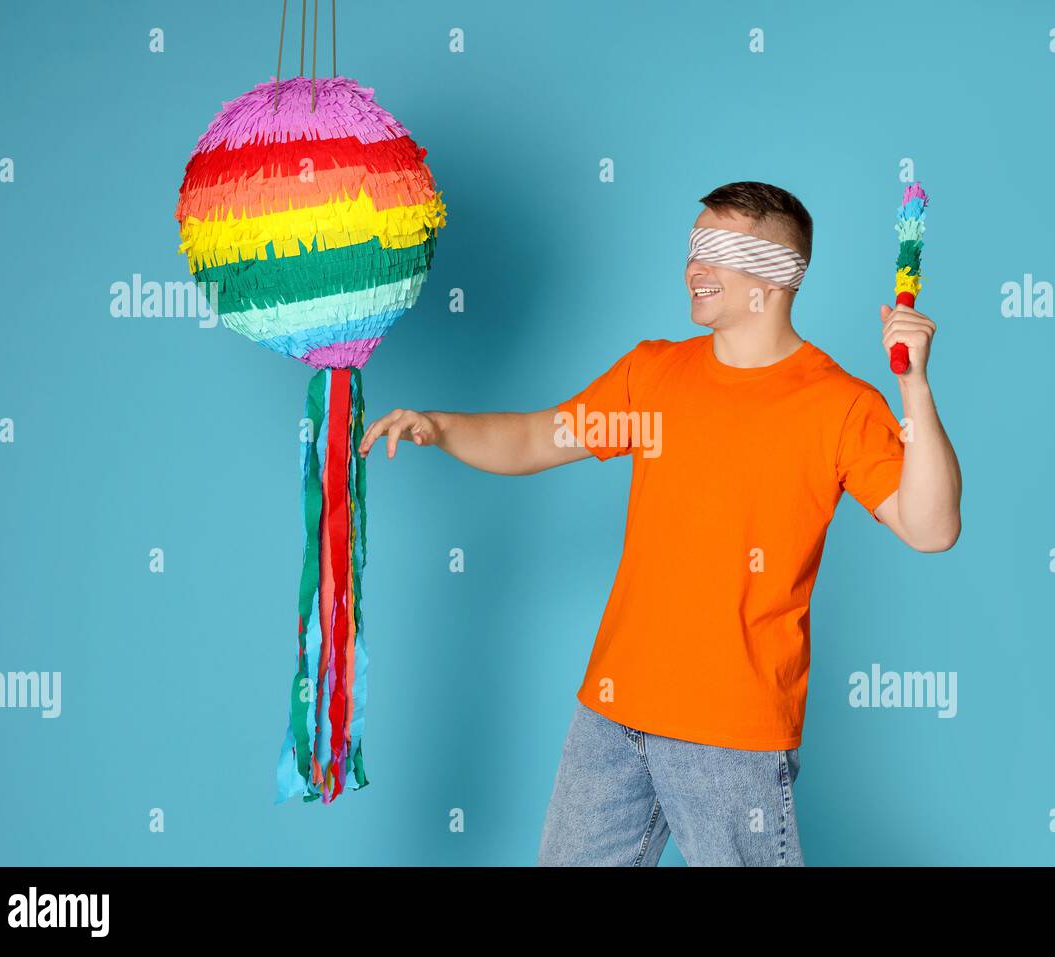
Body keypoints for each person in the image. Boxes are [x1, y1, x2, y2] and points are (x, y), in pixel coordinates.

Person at [358, 181, 962, 866]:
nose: (692, 269)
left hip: (731, 736)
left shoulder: (839, 406)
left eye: (717, 250)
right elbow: (536, 437)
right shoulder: (654, 373)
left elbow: (931, 527)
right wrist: (440, 426)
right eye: (691, 248)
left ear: (780, 273)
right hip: (612, 714)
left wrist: (915, 386)